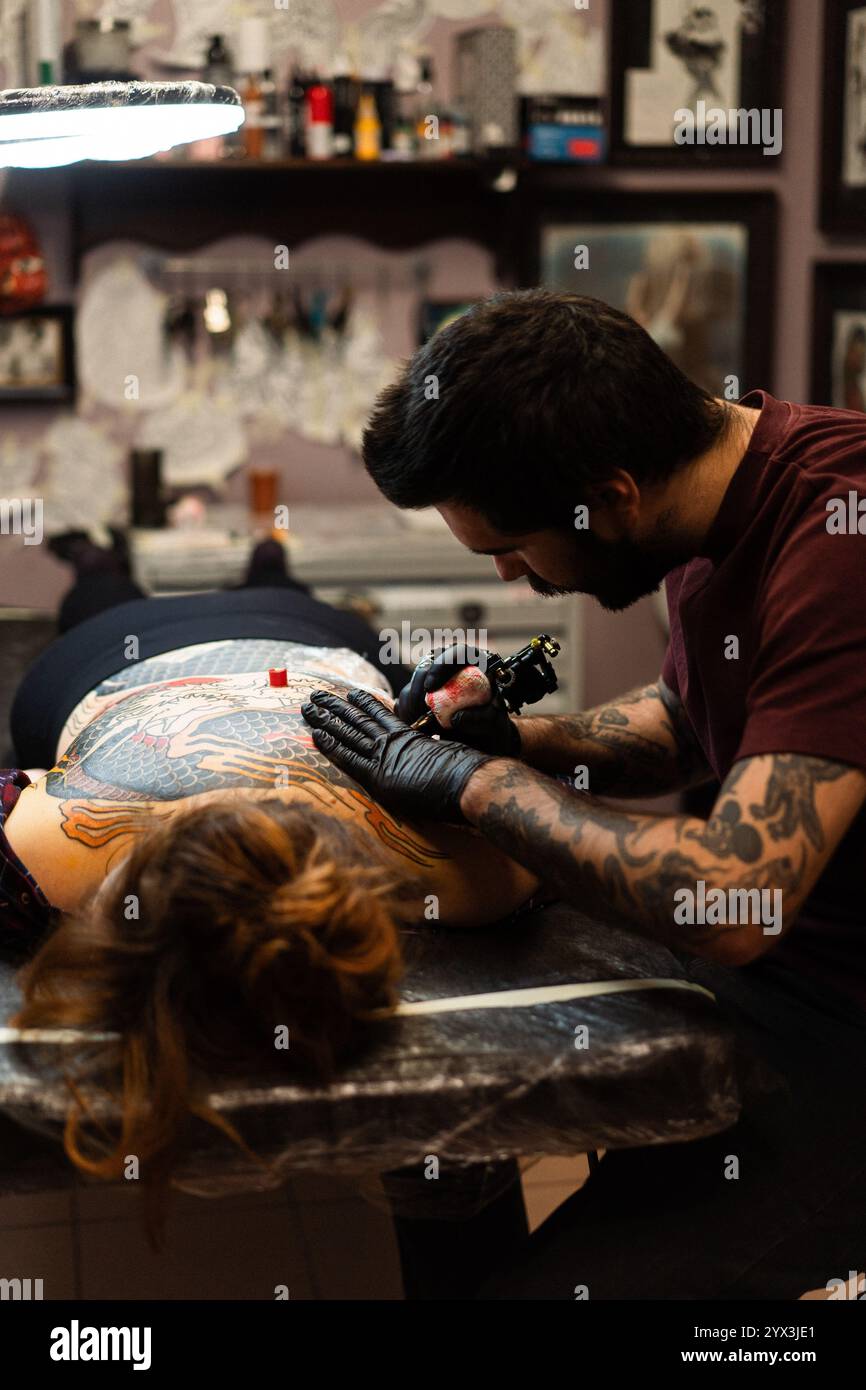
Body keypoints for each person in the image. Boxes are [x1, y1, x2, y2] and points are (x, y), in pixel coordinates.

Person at [302, 289, 866, 1299]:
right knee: (438, 1150)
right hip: (787, 985)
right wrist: (513, 735)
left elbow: (734, 895)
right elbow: (694, 722)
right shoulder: (708, 512)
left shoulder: (839, 542)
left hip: (841, 1023)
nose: (517, 578)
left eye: (510, 548)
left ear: (607, 496)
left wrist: (476, 782)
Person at [0, 539, 538, 1228]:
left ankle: (125, 565)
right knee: (112, 602)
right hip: (163, 655)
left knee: (107, 598)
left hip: (290, 643)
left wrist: (488, 752)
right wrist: (490, 738)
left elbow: (553, 822)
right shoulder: (44, 852)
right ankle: (249, 561)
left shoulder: (474, 880)